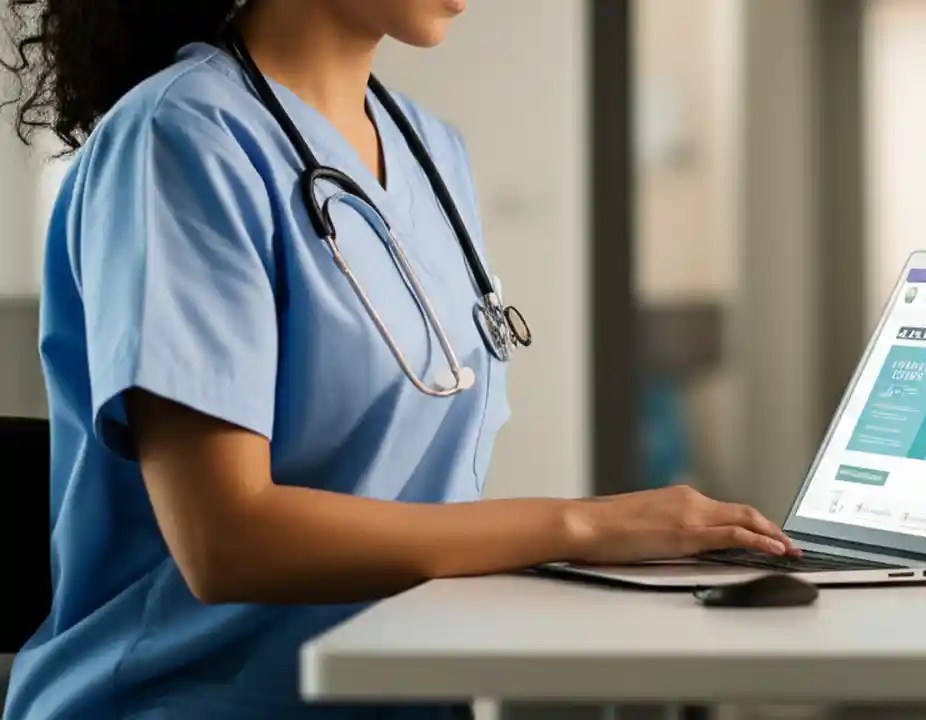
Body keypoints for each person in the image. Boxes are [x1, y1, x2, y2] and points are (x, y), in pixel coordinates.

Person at [0, 1, 795, 718]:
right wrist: (579, 526)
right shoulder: (178, 138)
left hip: (398, 693)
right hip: (188, 701)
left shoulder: (430, 150)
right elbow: (225, 540)